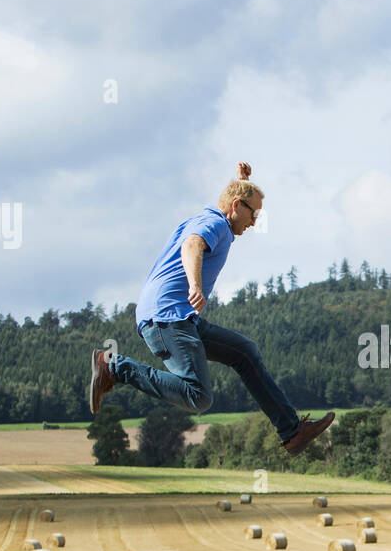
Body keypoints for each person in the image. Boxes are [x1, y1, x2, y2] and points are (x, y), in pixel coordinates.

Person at [88, 161, 333, 455]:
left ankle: (292, 432)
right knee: (197, 397)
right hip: (169, 317)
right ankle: (115, 368)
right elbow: (192, 245)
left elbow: (228, 202)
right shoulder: (214, 223)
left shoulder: (214, 217)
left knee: (245, 352)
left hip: (178, 317)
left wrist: (241, 182)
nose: (254, 222)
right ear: (235, 206)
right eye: (253, 213)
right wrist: (194, 284)